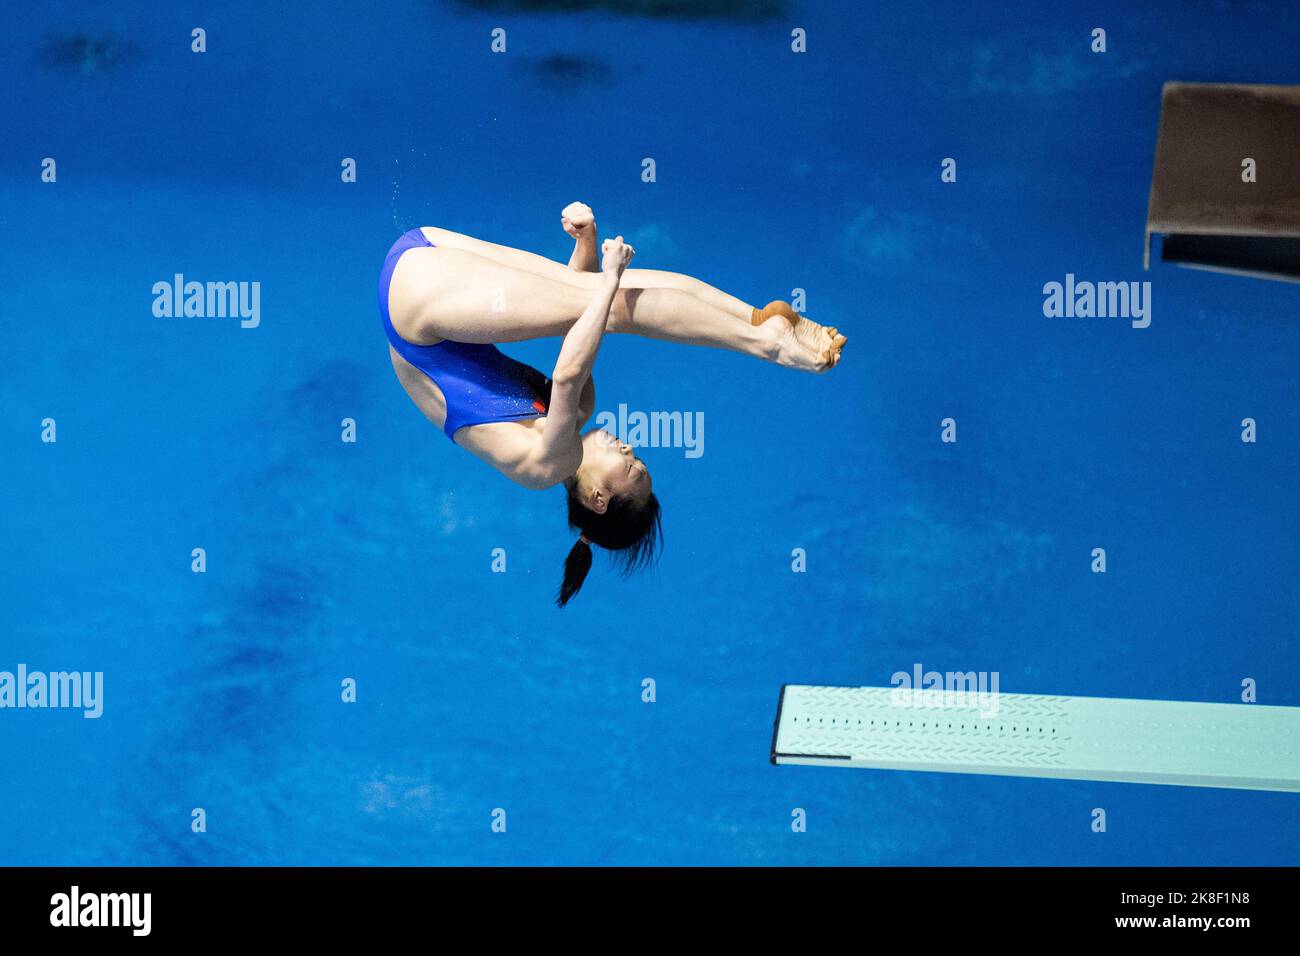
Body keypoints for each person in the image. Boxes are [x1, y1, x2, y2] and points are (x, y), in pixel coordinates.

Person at [378, 202, 846, 605]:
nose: (630, 451)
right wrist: (587, 244)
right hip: (424, 251)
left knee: (613, 303)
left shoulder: (544, 465)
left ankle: (766, 344)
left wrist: (608, 278)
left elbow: (566, 373)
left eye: (633, 470)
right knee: (607, 296)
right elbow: (564, 323)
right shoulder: (575, 418)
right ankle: (757, 321)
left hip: (416, 306)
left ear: (598, 499)